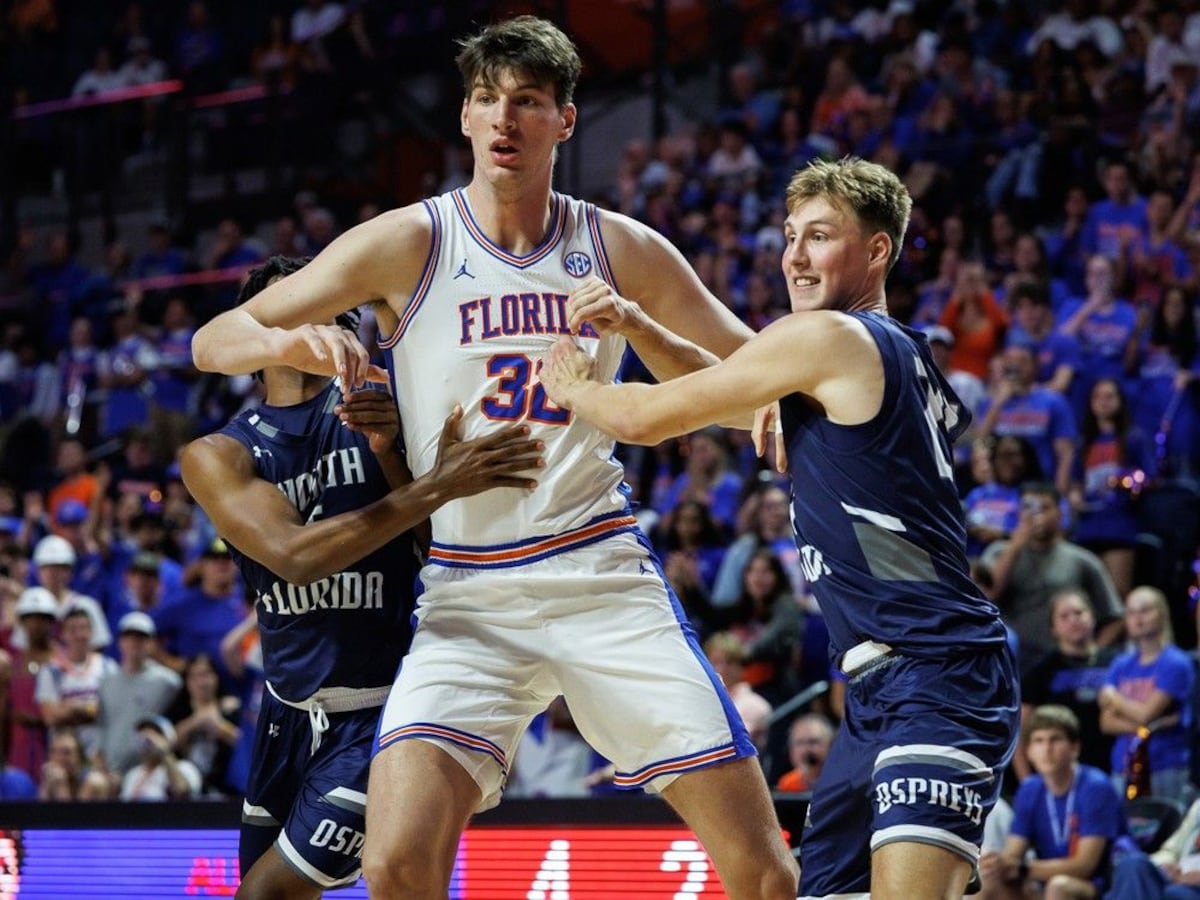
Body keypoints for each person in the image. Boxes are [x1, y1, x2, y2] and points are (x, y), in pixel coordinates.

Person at [190, 17, 797, 900]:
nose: (505, 118)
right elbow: (216, 337)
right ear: (466, 120)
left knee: (763, 872)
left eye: (528, 102)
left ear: (566, 120)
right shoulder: (412, 239)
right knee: (395, 863)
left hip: (599, 575)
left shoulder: (619, 246)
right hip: (468, 589)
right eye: (486, 100)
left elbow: (754, 384)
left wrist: (646, 332)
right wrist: (303, 344)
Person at [538, 156, 1020, 898]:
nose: (794, 254)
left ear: (878, 250)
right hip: (878, 688)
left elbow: (648, 419)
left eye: (820, 236)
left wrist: (577, 388)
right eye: (789, 235)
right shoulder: (878, 356)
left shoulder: (831, 338)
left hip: (939, 671)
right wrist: (637, 325)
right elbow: (724, 392)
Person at [182, 255, 544, 899]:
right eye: (288, 303)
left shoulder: (390, 408)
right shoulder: (219, 454)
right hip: (286, 711)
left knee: (265, 895)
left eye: (326, 302)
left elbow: (444, 550)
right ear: (255, 333)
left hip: (386, 708)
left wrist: (397, 457)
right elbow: (292, 556)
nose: (313, 313)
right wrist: (435, 485)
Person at [979, 705, 1124, 900]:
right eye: (1039, 741)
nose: (1046, 749)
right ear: (1029, 751)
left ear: (1074, 748)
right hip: (1043, 881)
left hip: (1099, 885)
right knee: (989, 880)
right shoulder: (1030, 788)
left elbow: (1085, 866)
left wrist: (1022, 869)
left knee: (1059, 886)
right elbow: (1014, 852)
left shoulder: (1095, 787)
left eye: (1055, 739)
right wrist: (999, 864)